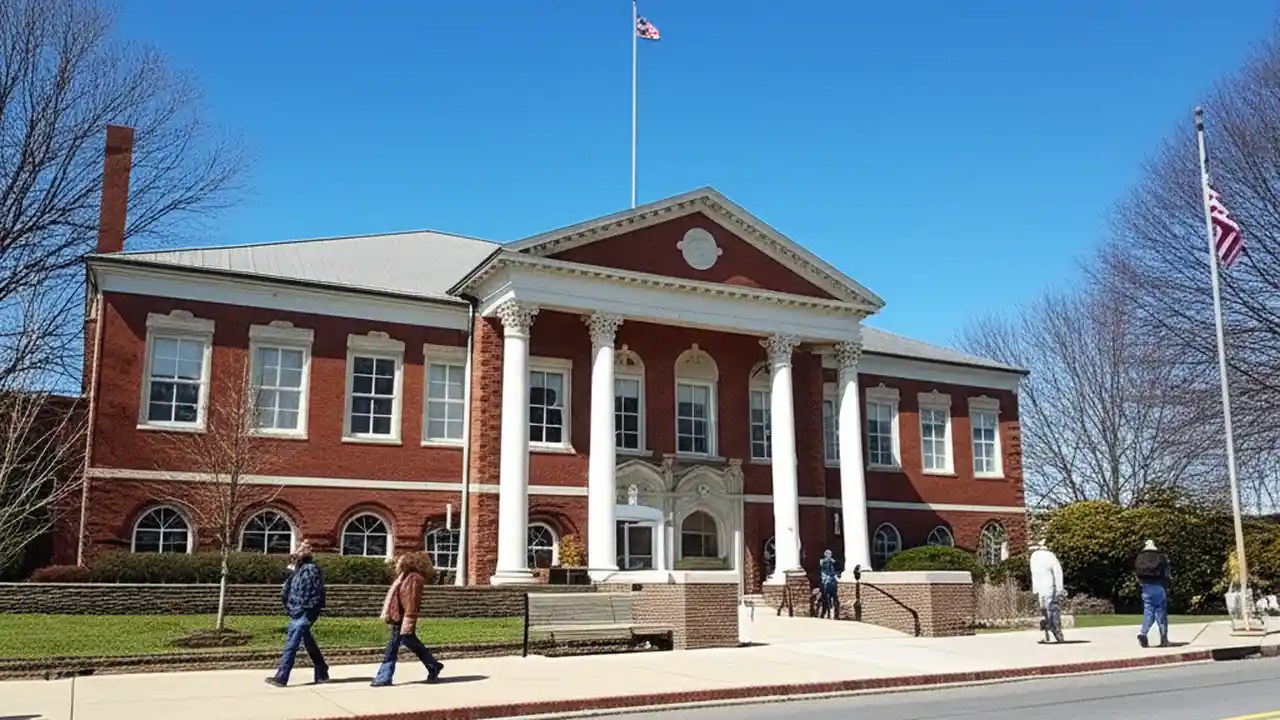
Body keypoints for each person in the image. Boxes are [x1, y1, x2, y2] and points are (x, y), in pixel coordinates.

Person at [372, 552, 444, 687]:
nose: (396, 565)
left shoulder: (413, 579)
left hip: (403, 618)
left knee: (393, 647)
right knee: (406, 643)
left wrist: (408, 623)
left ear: (407, 563)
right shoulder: (404, 578)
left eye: (399, 562)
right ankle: (433, 665)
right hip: (398, 617)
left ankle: (384, 676)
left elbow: (412, 604)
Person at [266, 541, 329, 687]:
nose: (296, 552)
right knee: (307, 640)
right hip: (296, 610)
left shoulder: (311, 570)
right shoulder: (298, 570)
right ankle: (321, 669)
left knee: (292, 642)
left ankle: (282, 676)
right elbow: (288, 587)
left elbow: (314, 592)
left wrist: (304, 608)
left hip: (305, 611)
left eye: (300, 550)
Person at [1135, 539, 1172, 648]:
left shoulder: (1140, 558)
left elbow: (1137, 574)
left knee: (1148, 610)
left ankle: (1143, 633)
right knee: (1161, 612)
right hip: (1159, 586)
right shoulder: (1160, 557)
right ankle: (1164, 638)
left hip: (1146, 587)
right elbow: (1167, 572)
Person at [1029, 540, 1065, 643]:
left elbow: (1034, 575)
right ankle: (1055, 632)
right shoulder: (1050, 556)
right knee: (1052, 611)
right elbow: (1058, 573)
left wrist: (1034, 589)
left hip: (1041, 589)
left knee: (1045, 611)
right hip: (1049, 588)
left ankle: (1049, 633)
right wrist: (1059, 589)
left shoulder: (1034, 557)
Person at [818, 549, 839, 619]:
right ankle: (824, 610)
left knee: (833, 595)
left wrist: (831, 560)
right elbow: (821, 564)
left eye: (830, 554)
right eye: (827, 553)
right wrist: (828, 559)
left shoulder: (832, 561)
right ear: (825, 554)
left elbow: (834, 562)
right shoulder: (822, 560)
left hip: (832, 577)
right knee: (825, 592)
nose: (828, 555)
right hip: (825, 577)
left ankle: (833, 610)